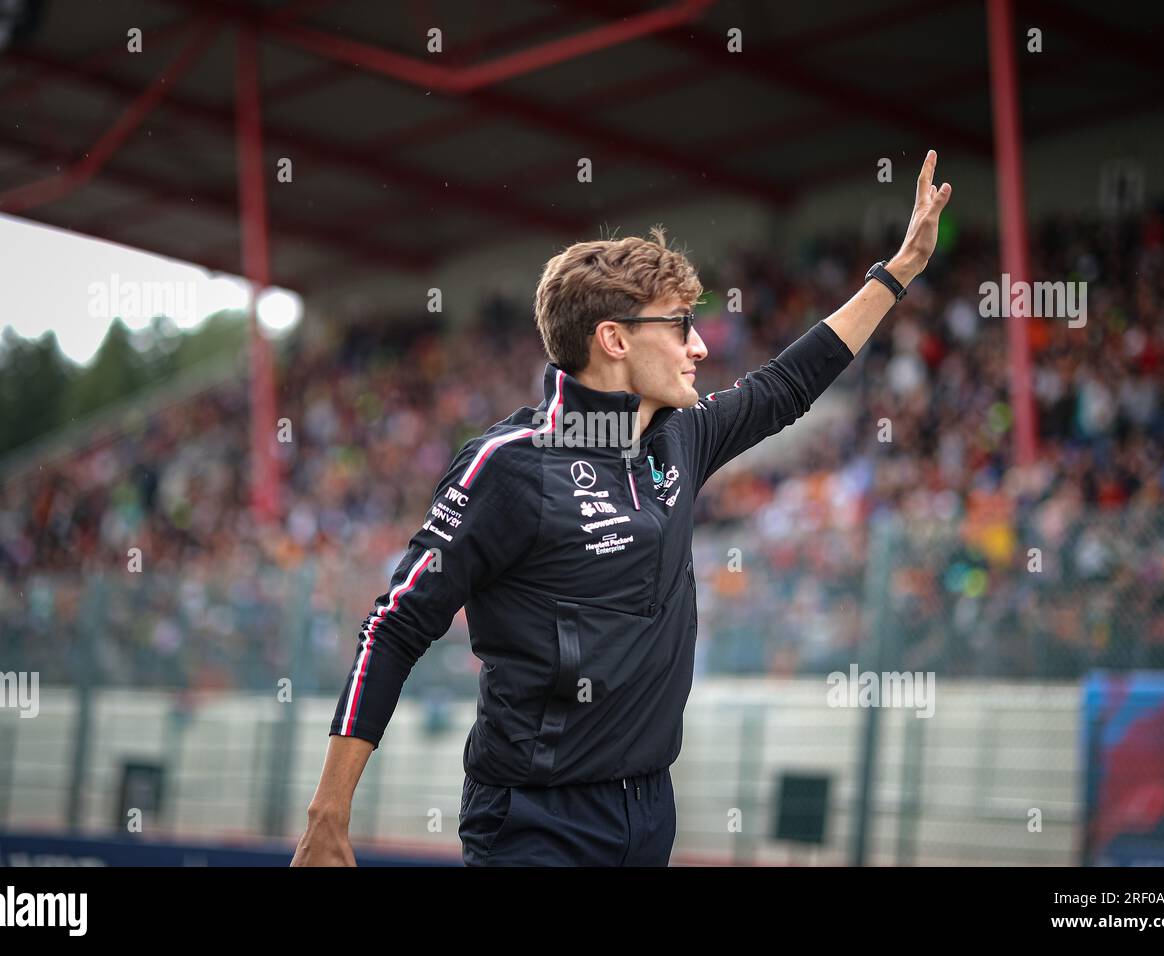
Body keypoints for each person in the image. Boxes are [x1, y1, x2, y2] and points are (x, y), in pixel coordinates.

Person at [291, 151, 952, 867]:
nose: (700, 344)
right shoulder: (508, 466)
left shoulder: (681, 434)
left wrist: (898, 271)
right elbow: (394, 628)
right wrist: (330, 811)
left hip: (648, 812)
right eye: (678, 325)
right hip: (536, 821)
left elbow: (790, 383)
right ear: (614, 339)